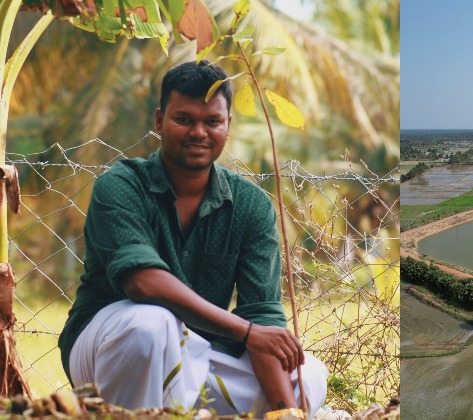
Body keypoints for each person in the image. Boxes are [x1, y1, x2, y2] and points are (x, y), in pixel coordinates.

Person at [58, 60, 328, 418]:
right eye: (184, 119)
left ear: (228, 125)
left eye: (212, 121)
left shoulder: (250, 205)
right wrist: (246, 331)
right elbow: (142, 282)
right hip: (109, 348)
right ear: (159, 121)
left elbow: (262, 318)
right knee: (151, 325)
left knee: (306, 378)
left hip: (199, 355)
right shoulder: (122, 185)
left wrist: (286, 411)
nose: (199, 132)